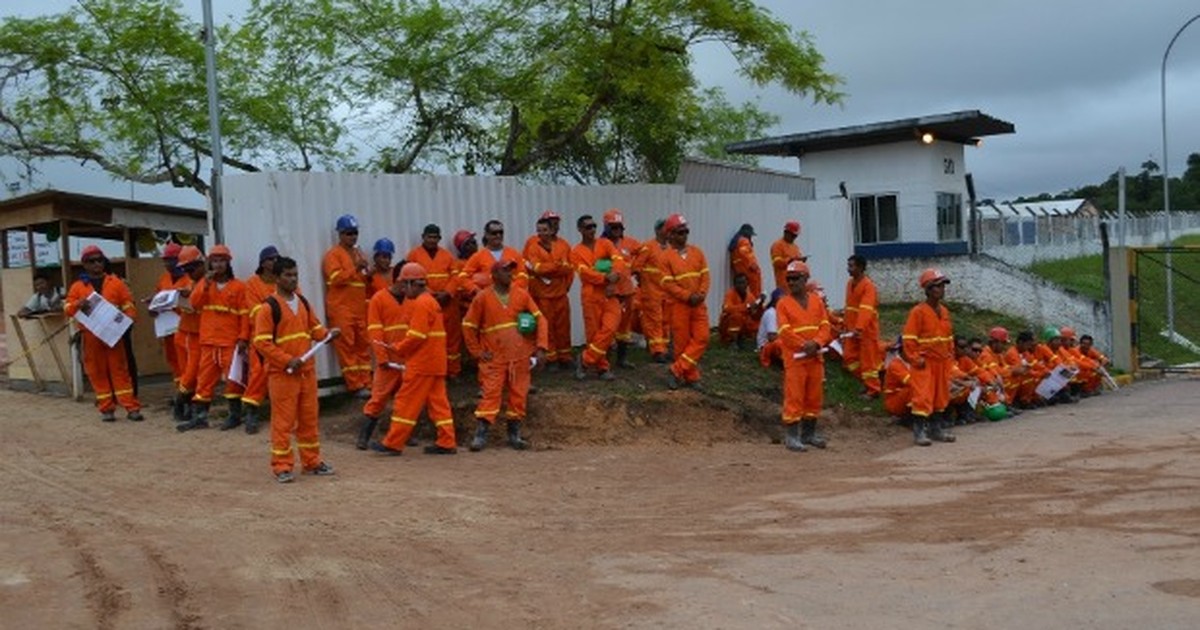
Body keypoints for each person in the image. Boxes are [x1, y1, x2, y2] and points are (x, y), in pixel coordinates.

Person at [252, 256, 339, 483]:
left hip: (306, 372)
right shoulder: (268, 308)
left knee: (309, 419)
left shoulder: (303, 302)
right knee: (283, 422)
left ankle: (312, 462)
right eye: (288, 275)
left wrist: (327, 335)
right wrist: (286, 360)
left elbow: (314, 328)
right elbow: (261, 342)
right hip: (283, 376)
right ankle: (282, 466)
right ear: (277, 278)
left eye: (295, 275)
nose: (293, 279)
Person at [370, 262, 459, 456]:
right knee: (438, 404)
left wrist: (398, 349)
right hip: (436, 363)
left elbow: (417, 336)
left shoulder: (421, 303)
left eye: (404, 284)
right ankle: (447, 441)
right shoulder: (431, 302)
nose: (403, 289)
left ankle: (393, 443)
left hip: (422, 364)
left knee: (405, 402)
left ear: (411, 283)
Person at [462, 259, 549, 451]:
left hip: (520, 356)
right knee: (490, 394)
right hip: (494, 357)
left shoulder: (521, 294)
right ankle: (481, 435)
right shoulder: (482, 298)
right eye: (505, 270)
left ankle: (514, 435)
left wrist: (541, 347)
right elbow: (468, 326)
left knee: (519, 394)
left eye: (511, 270)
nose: (510, 274)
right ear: (494, 275)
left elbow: (540, 319)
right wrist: (477, 352)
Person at [63, 245, 143, 422]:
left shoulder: (116, 283)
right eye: (92, 261)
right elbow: (67, 308)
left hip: (113, 335)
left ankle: (132, 408)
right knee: (96, 372)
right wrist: (77, 304)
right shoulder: (77, 287)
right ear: (85, 264)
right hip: (90, 336)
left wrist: (128, 319)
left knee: (120, 370)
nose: (97, 264)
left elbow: (128, 303)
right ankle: (107, 408)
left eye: (100, 260)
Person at [178, 244, 249, 433]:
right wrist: (205, 284)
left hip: (229, 341)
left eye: (222, 261)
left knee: (233, 380)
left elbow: (244, 315)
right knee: (204, 380)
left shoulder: (239, 287)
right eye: (215, 261)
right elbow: (194, 303)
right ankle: (200, 417)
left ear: (228, 263)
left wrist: (243, 338)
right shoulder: (204, 284)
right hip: (209, 341)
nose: (218, 265)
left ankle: (234, 416)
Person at [776, 260, 833, 451]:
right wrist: (803, 345)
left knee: (813, 397)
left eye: (795, 278)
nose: (791, 282)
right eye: (788, 279)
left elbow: (825, 326)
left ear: (805, 279)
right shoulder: (783, 304)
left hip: (815, 357)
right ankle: (791, 437)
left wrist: (817, 343)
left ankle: (809, 434)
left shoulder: (816, 301)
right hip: (796, 360)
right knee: (794, 396)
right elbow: (784, 332)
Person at [357, 261, 410, 450]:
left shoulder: (415, 299)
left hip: (408, 360)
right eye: (409, 282)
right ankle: (363, 437)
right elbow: (375, 332)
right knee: (378, 398)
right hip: (388, 361)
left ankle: (402, 435)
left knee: (406, 400)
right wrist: (382, 358)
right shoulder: (379, 299)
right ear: (399, 280)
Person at [902, 268, 956, 445]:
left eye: (943, 286)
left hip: (942, 362)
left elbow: (948, 337)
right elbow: (909, 339)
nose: (942, 289)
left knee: (940, 396)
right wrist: (916, 359)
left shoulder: (944, 312)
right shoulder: (918, 312)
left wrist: (950, 356)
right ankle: (919, 432)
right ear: (928, 289)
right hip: (925, 363)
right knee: (922, 397)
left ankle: (936, 429)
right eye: (938, 286)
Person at [322, 214, 373, 398]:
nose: (353, 236)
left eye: (355, 233)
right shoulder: (333, 255)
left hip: (359, 308)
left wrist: (367, 273)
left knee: (363, 346)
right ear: (340, 234)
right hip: (341, 308)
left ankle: (367, 383)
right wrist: (356, 268)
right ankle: (355, 385)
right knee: (347, 347)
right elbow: (335, 279)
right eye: (348, 233)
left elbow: (362, 280)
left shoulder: (358, 253)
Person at [571, 214, 625, 380]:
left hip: (609, 294)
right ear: (580, 229)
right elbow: (584, 273)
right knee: (594, 334)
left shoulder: (605, 243)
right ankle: (602, 368)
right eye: (588, 227)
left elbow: (618, 260)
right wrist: (605, 278)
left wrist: (616, 274)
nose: (592, 230)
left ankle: (585, 359)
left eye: (594, 226)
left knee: (610, 327)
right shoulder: (576, 252)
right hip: (591, 296)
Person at [660, 213, 710, 390]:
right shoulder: (665, 257)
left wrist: (701, 294)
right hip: (679, 306)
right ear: (670, 235)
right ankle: (691, 377)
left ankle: (676, 370)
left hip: (698, 305)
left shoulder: (697, 252)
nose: (684, 235)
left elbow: (705, 276)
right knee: (682, 343)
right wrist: (687, 296)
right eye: (680, 232)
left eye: (686, 231)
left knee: (702, 338)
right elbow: (667, 284)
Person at [406, 224, 463, 379]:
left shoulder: (447, 256)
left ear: (439, 238)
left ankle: (453, 371)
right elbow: (410, 278)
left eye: (435, 237)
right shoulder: (414, 255)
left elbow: (456, 276)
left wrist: (448, 293)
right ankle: (433, 371)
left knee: (452, 338)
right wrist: (430, 294)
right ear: (423, 237)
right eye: (429, 237)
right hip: (426, 303)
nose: (432, 240)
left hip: (448, 303)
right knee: (430, 338)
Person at [523, 211, 575, 369]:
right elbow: (532, 267)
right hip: (542, 294)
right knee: (547, 327)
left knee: (563, 326)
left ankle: (565, 356)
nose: (554, 225)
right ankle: (551, 358)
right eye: (550, 222)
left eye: (556, 222)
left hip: (560, 293)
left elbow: (569, 268)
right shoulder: (532, 244)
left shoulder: (564, 244)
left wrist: (564, 285)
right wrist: (556, 267)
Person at [239, 245, 282, 434]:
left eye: (277, 258)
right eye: (271, 259)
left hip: (283, 335)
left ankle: (282, 413)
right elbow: (254, 311)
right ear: (263, 263)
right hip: (261, 336)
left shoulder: (283, 280)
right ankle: (251, 410)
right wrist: (276, 313)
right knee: (258, 373)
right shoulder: (252, 284)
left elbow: (294, 303)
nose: (275, 262)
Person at [602, 209, 641, 368]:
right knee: (608, 326)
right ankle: (604, 360)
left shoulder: (630, 242)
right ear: (606, 227)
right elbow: (596, 266)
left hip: (627, 291)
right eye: (613, 227)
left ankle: (622, 359)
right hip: (610, 293)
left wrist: (636, 268)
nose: (617, 230)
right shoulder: (600, 245)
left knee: (625, 327)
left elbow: (644, 251)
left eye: (619, 227)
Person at [173, 246, 206, 423]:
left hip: (200, 334)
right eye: (185, 270)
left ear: (201, 264)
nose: (188, 273)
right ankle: (189, 405)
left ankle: (181, 400)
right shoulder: (191, 282)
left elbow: (201, 303)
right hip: (185, 332)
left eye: (191, 269)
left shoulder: (206, 283)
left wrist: (190, 295)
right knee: (187, 371)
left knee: (194, 372)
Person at [843, 254, 882, 399]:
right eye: (848, 265)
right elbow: (850, 307)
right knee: (849, 357)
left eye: (851, 266)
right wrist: (846, 325)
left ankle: (873, 390)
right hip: (852, 330)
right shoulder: (850, 283)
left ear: (860, 267)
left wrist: (859, 328)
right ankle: (868, 382)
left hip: (866, 330)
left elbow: (866, 309)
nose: (848, 269)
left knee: (868, 362)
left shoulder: (868, 286)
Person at [146, 244, 183, 394]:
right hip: (168, 329)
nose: (168, 264)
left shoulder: (189, 278)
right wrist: (153, 307)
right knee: (173, 360)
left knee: (187, 360)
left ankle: (190, 392)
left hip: (185, 328)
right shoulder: (164, 279)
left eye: (171, 260)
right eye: (166, 260)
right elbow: (158, 298)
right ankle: (181, 392)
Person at [633, 218, 671, 362]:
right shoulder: (648, 247)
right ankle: (657, 351)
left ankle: (664, 348)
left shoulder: (670, 248)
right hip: (651, 292)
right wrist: (644, 284)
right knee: (654, 320)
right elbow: (636, 267)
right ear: (657, 230)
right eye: (665, 228)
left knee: (666, 321)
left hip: (666, 292)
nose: (668, 231)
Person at [459, 219, 528, 296]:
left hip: (512, 297)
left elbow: (523, 275)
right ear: (486, 235)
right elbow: (463, 277)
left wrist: (513, 289)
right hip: (489, 298)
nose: (498, 235)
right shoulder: (478, 256)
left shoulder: (514, 254)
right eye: (494, 233)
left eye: (501, 232)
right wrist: (476, 290)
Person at [718, 273, 763, 348]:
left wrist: (760, 305)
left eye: (743, 282)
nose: (741, 285)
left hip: (743, 324)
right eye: (739, 283)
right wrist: (746, 307)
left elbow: (755, 315)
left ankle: (748, 339)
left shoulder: (750, 296)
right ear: (734, 285)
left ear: (747, 284)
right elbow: (727, 309)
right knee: (737, 316)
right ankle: (732, 341)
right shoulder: (730, 294)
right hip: (727, 326)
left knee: (758, 322)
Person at [729, 223, 763, 299]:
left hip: (740, 268)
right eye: (750, 235)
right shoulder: (744, 241)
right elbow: (745, 254)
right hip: (747, 268)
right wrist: (753, 265)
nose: (751, 237)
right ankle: (755, 302)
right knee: (755, 288)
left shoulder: (737, 241)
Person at [769, 221, 805, 292]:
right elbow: (776, 262)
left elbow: (798, 261)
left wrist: (801, 262)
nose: (794, 238)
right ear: (786, 232)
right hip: (784, 284)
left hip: (796, 285)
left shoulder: (795, 247)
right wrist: (789, 261)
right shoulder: (777, 245)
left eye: (795, 236)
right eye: (793, 235)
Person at [757, 289, 784, 368]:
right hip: (765, 346)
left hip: (776, 342)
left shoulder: (781, 312)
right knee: (781, 343)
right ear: (775, 301)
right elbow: (772, 337)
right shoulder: (771, 313)